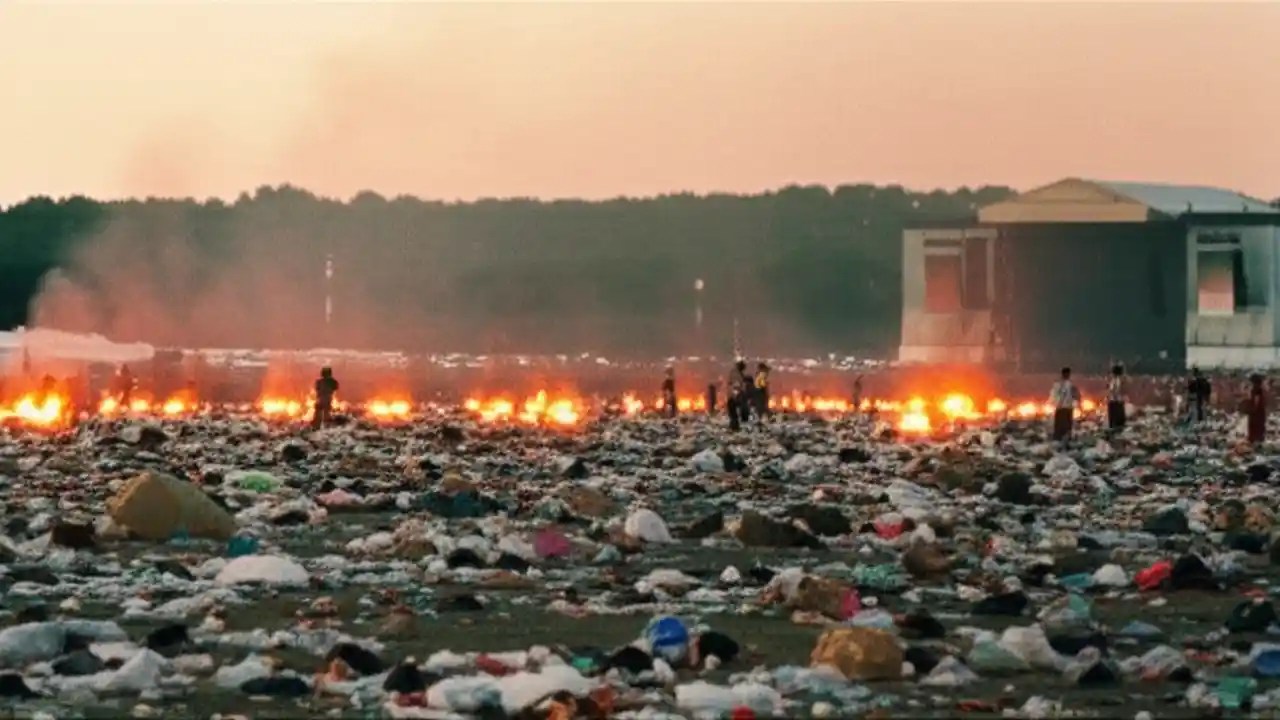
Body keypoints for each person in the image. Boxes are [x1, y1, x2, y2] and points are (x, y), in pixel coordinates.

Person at [1049, 367, 1081, 443]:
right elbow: (1076, 395)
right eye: (1068, 373)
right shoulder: (1067, 384)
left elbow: (1053, 396)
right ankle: (1063, 439)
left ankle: (1061, 439)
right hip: (1065, 408)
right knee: (1065, 426)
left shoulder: (1059, 384)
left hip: (1063, 408)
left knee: (1062, 426)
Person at [727, 360, 748, 431]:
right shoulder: (736, 374)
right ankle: (735, 427)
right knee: (734, 413)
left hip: (732, 396)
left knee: (733, 413)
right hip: (734, 397)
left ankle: (734, 427)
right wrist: (737, 395)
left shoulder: (736, 373)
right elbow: (736, 386)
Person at [1247, 373, 1268, 445]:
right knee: (1258, 429)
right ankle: (1257, 443)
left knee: (1255, 429)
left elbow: (1256, 402)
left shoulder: (1256, 390)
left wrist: (1252, 410)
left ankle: (1255, 443)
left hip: (1256, 414)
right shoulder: (1259, 390)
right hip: (1259, 413)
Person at [1106, 364, 1127, 432]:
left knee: (1114, 422)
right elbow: (1115, 391)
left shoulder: (1114, 380)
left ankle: (1115, 432)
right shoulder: (1116, 380)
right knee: (1117, 422)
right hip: (1116, 402)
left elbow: (1112, 391)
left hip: (1114, 402)